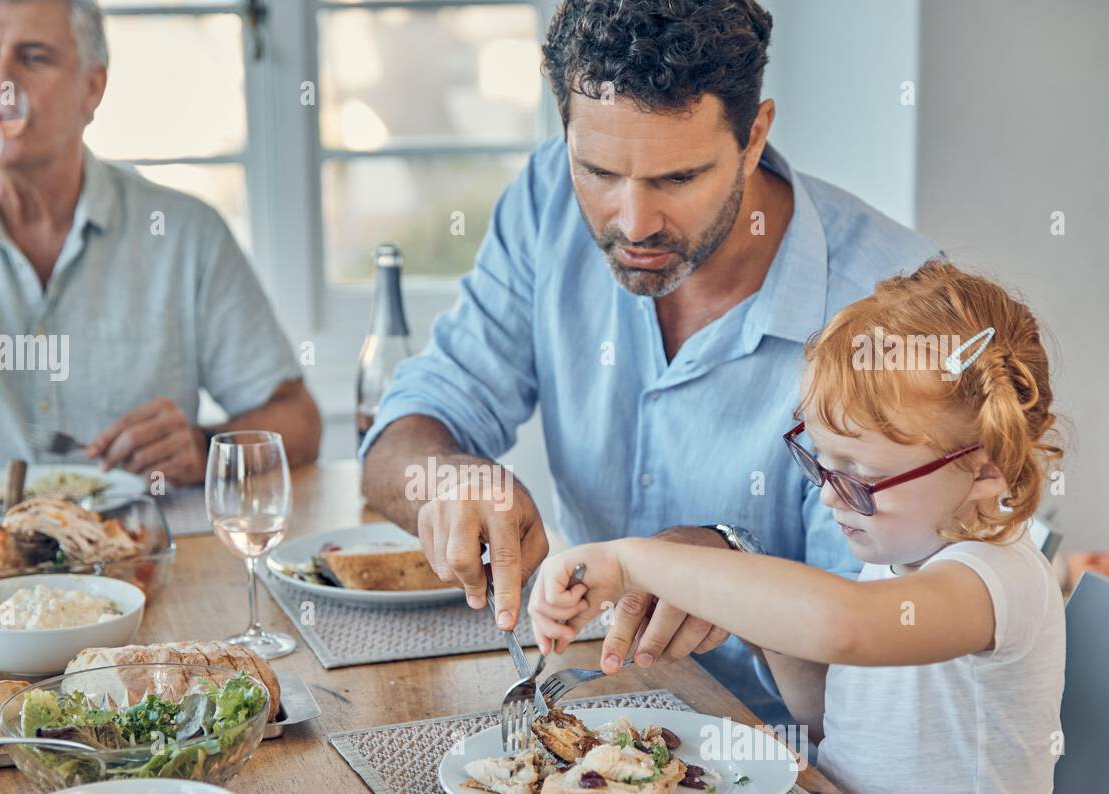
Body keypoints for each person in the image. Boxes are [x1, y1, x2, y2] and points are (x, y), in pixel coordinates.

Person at [359, 0, 938, 724]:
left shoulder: (895, 314)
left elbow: (877, 693)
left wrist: (725, 564)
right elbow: (400, 436)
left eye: (676, 180)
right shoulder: (544, 202)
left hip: (798, 766)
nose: (632, 223)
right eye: (597, 171)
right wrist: (448, 479)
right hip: (602, 712)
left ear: (755, 136)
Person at [529, 260, 1066, 794]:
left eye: (862, 479)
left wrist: (635, 560)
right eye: (821, 465)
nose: (832, 498)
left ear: (988, 464)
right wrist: (756, 622)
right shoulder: (898, 548)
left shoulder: (997, 580)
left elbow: (844, 623)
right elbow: (825, 715)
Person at [0, 0, 320, 486]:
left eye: (33, 57)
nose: (1, 80)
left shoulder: (185, 233)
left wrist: (203, 445)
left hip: (121, 563)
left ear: (92, 89)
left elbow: (299, 422)